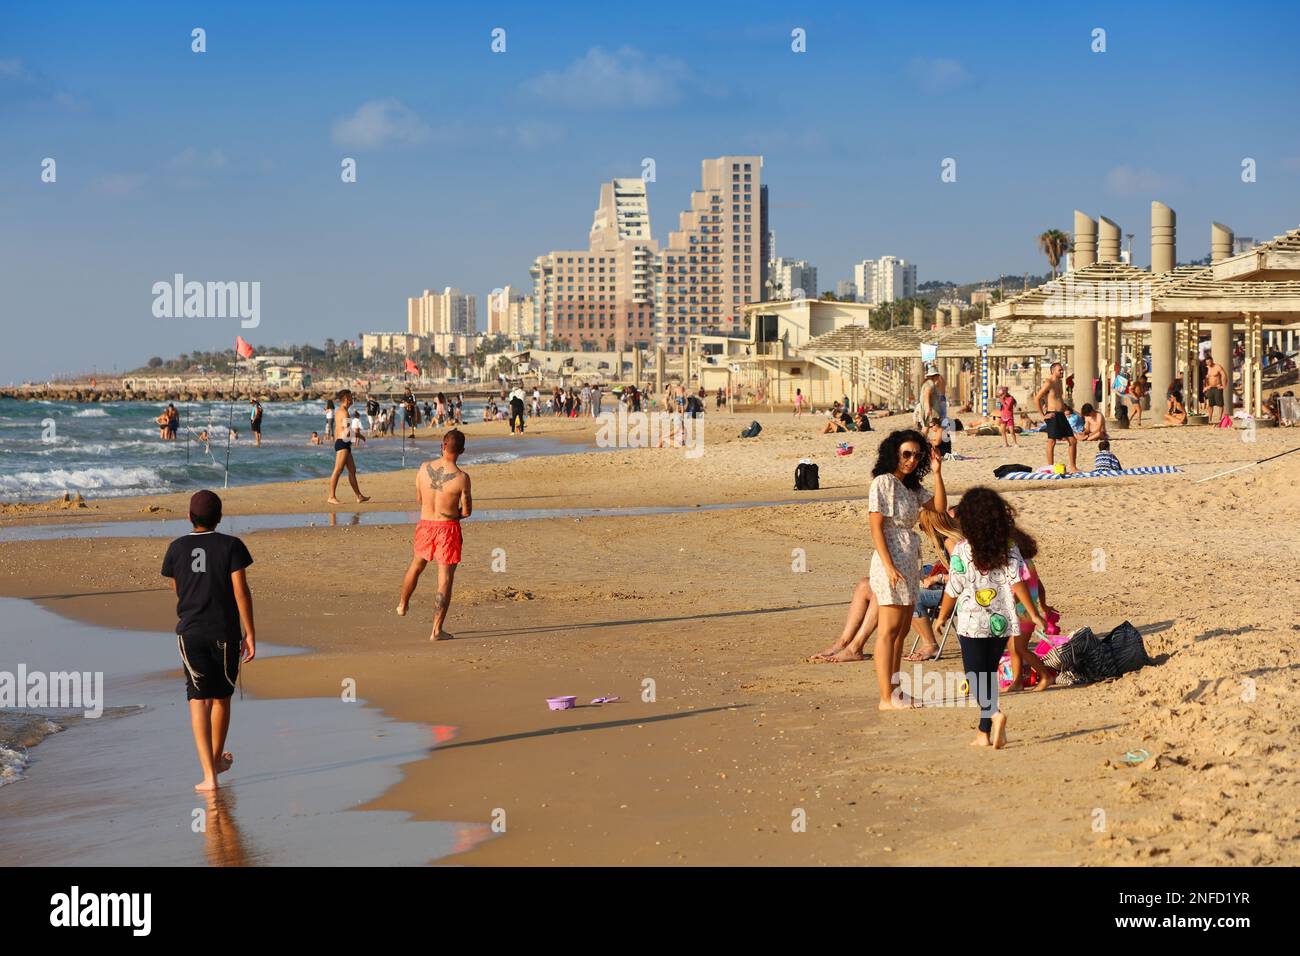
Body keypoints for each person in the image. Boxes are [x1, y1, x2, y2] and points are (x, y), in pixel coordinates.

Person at [932, 487, 1046, 748]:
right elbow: (1017, 582)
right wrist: (1034, 613)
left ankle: (994, 715)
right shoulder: (1010, 547)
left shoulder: (961, 549)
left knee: (975, 677)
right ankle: (985, 733)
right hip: (1003, 622)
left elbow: (954, 587)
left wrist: (941, 616)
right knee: (988, 675)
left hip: (972, 623)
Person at [161, 490, 255, 791]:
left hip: (191, 632)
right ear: (220, 517)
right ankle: (215, 760)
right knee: (222, 697)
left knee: (198, 698)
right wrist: (249, 632)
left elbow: (178, 587)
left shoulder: (176, 548)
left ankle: (209, 775)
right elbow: (241, 591)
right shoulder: (231, 546)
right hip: (224, 632)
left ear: (189, 517)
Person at [867, 429, 947, 710]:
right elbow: (876, 527)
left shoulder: (911, 487)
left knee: (901, 632)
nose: (911, 460)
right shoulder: (883, 482)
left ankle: (896, 691)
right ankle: (885, 697)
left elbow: (939, 508)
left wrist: (937, 472)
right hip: (891, 558)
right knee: (888, 631)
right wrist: (888, 566)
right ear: (894, 453)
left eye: (916, 455)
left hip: (909, 559)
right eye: (906, 454)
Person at [397, 429, 472, 641]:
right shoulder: (461, 478)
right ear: (462, 451)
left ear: (442, 445)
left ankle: (403, 604)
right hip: (447, 528)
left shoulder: (423, 469)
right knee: (444, 579)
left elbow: (420, 500)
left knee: (416, 565)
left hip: (425, 523)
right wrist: (450, 513)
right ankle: (436, 630)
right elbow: (466, 511)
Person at [327, 389, 370, 504]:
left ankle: (359, 496)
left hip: (342, 442)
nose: (352, 400)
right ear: (346, 398)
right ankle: (331, 496)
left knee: (352, 470)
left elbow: (339, 430)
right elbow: (347, 432)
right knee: (338, 470)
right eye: (351, 397)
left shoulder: (339, 411)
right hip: (343, 442)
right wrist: (359, 435)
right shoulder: (344, 413)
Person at [1035, 362, 1077, 473]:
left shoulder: (1059, 382)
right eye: (1060, 370)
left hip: (1061, 414)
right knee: (1051, 442)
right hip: (1052, 414)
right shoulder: (1049, 383)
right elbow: (1037, 398)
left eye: (1062, 370)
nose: (1062, 371)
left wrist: (1065, 409)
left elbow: (1059, 399)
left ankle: (1073, 467)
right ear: (1053, 371)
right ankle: (1050, 467)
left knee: (1073, 441)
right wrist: (1043, 415)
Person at [1203, 356, 1227, 423]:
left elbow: (1224, 375)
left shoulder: (1217, 367)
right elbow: (1204, 379)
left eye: (1209, 361)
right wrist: (1205, 387)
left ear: (1212, 360)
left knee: (1220, 404)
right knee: (1210, 404)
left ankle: (1220, 418)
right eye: (1207, 362)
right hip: (1210, 388)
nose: (1208, 363)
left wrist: (1223, 385)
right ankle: (1210, 419)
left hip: (1217, 387)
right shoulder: (1206, 368)